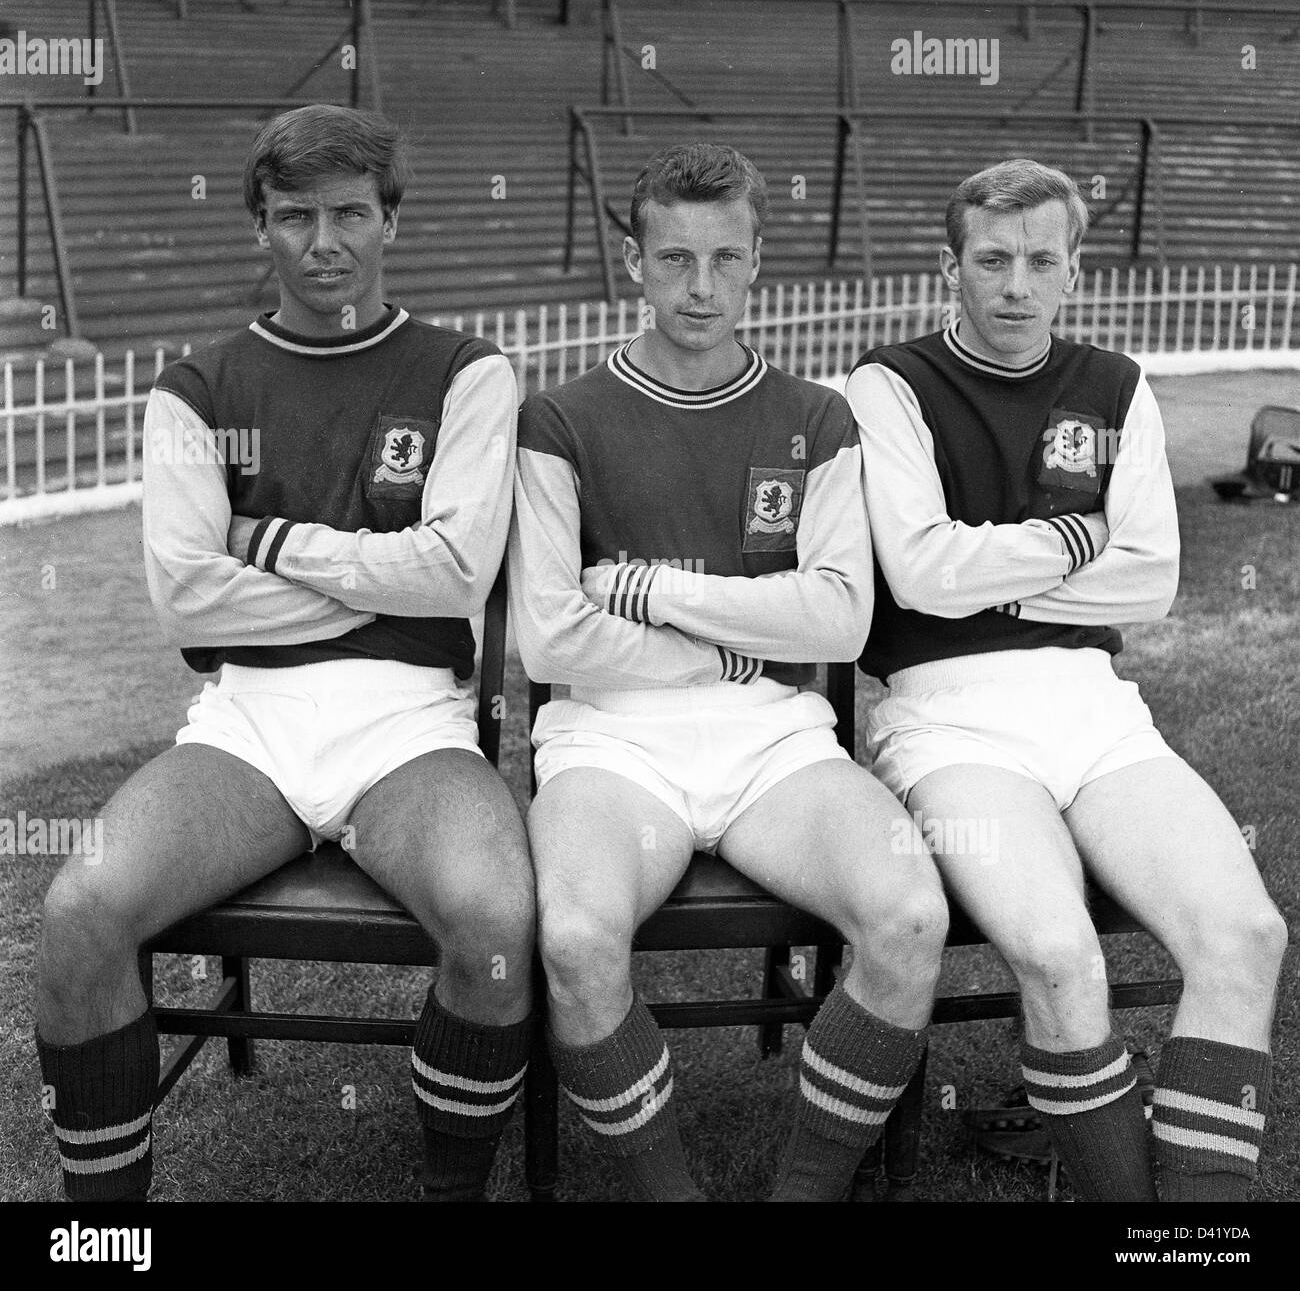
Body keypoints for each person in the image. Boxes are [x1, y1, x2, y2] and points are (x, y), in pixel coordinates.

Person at [35, 104, 535, 1203]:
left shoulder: (466, 373)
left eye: (350, 212)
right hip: (247, 722)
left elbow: (457, 575)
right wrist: (378, 590)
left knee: (496, 923)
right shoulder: (196, 388)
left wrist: (263, 550)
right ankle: (104, 1234)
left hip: (409, 724)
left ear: (389, 222)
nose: (324, 242)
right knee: (78, 918)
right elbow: (188, 607)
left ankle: (450, 1192)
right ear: (257, 227)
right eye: (294, 215)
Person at [508, 141, 948, 1202]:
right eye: (673, 260)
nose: (699, 288)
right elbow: (551, 641)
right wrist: (749, 633)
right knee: (572, 937)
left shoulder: (817, 418)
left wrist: (656, 590)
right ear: (633, 261)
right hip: (608, 739)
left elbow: (840, 622)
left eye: (724, 259)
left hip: (771, 739)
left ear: (757, 262)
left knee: (909, 919)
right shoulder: (559, 417)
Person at [845, 157, 1287, 1202]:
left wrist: (982, 569)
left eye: (1041, 260)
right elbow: (914, 570)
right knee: (1059, 955)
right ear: (950, 264)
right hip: (949, 721)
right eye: (991, 259)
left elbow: (1152, 584)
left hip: (1095, 716)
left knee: (1246, 934)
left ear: (1072, 271)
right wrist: (1073, 541)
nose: (1014, 284)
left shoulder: (1113, 385)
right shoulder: (891, 382)